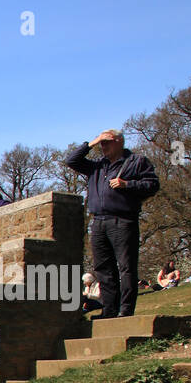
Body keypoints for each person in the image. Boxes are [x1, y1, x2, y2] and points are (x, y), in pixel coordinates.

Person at [63, 129, 160, 319]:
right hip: (98, 221)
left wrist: (127, 184)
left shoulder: (136, 162)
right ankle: (109, 310)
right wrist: (92, 142)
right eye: (101, 143)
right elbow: (71, 161)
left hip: (123, 219)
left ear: (119, 142)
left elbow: (153, 185)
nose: (103, 146)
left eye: (106, 142)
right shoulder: (98, 166)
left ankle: (126, 310)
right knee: (103, 269)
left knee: (126, 266)